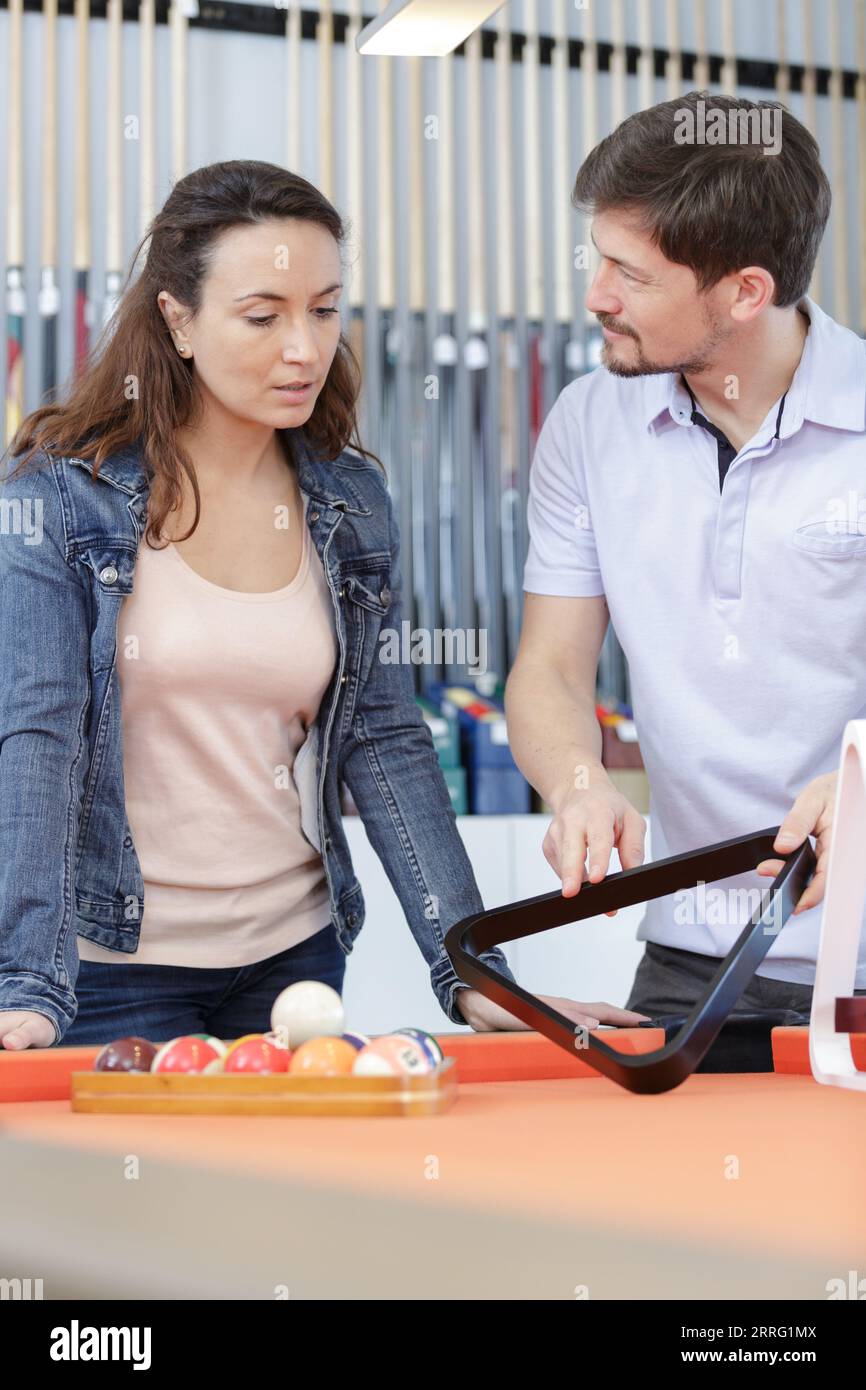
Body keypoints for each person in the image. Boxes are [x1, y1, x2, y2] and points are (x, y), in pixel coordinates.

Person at [0, 160, 648, 1049]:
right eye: (263, 316)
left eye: (325, 307)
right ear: (177, 319)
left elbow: (385, 740)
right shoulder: (63, 499)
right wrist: (24, 982)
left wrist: (472, 970)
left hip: (292, 966)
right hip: (105, 976)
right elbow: (38, 735)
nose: (304, 347)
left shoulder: (348, 505)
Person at [505, 92, 866, 1022]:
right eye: (599, 259)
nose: (596, 295)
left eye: (633, 273)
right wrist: (578, 782)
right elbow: (549, 667)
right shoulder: (589, 423)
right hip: (688, 961)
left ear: (746, 290)